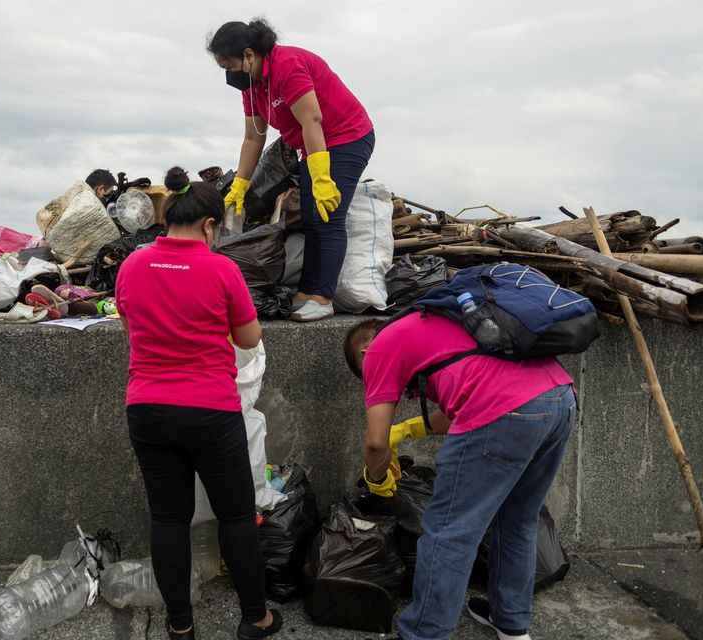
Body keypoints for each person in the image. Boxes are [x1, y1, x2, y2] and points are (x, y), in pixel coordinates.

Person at [114, 167, 283, 640]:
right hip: (211, 410)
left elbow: (133, 334)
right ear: (210, 225)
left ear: (167, 219)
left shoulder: (132, 266)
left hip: (147, 408)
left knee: (169, 518)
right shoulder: (222, 268)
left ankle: (180, 627)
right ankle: (256, 619)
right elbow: (248, 339)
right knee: (235, 515)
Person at [344, 315, 577, 640]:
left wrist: (377, 478)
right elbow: (459, 408)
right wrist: (409, 429)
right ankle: (510, 623)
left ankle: (424, 634)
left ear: (366, 354)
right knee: (519, 519)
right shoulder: (431, 324)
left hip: (506, 409)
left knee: (447, 531)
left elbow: (374, 442)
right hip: (560, 398)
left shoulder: (378, 351)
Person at [208, 19, 375, 322]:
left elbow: (313, 121)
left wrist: (322, 178)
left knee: (328, 215)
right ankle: (307, 291)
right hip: (314, 145)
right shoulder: (253, 85)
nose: (228, 74)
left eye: (228, 65)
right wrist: (241, 183)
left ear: (248, 55)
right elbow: (253, 136)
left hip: (347, 137)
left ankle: (322, 297)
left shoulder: (288, 65)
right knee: (311, 218)